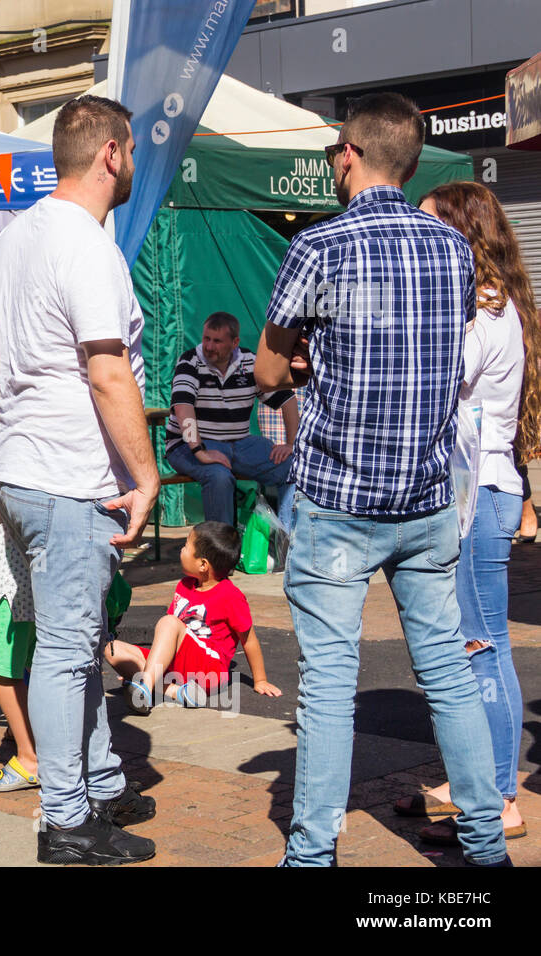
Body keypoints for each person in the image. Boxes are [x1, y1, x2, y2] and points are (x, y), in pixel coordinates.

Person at [254, 92, 508, 867]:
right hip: (427, 498)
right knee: (450, 675)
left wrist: (303, 364)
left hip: (338, 499)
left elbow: (267, 369)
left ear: (348, 154)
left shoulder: (319, 248)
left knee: (329, 684)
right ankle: (486, 844)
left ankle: (311, 854)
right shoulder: (454, 250)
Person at [0, 95, 158, 866]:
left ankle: (89, 789)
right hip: (64, 475)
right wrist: (147, 473)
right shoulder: (87, 246)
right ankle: (65, 823)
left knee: (73, 646)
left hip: (24, 467)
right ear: (111, 154)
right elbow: (107, 368)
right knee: (65, 650)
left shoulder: (14, 238)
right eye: (131, 152)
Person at [394, 181, 539, 846]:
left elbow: (439, 383)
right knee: (476, 645)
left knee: (480, 647)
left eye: (431, 226)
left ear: (461, 231)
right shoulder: (492, 300)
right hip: (484, 489)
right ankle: (476, 779)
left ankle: (501, 796)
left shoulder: (482, 308)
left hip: (478, 495)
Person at [107, 522, 280, 711]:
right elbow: (167, 641)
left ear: (203, 564)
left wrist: (260, 680)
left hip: (209, 669)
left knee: (169, 622)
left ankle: (145, 686)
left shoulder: (230, 596)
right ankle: (174, 691)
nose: (181, 550)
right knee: (111, 649)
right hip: (178, 666)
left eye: (186, 546)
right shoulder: (184, 585)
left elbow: (249, 640)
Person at [165, 312, 297, 531]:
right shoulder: (190, 362)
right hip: (187, 445)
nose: (209, 346)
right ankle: (221, 553)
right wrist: (199, 451)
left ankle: (286, 542)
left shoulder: (250, 363)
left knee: (292, 467)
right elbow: (183, 408)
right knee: (218, 476)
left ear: (235, 343)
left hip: (239, 443)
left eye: (217, 341)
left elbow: (288, 399)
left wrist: (291, 444)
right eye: (206, 338)